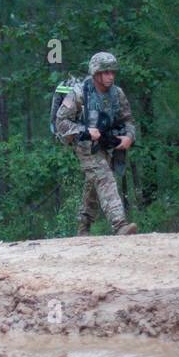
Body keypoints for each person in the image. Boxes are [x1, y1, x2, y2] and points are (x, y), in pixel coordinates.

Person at [54, 51, 140, 236]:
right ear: (96, 73)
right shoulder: (78, 94)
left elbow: (128, 120)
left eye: (112, 72)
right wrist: (84, 131)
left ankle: (83, 226)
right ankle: (119, 225)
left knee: (94, 182)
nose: (111, 76)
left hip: (106, 141)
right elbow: (60, 123)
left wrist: (129, 137)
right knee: (103, 176)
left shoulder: (117, 94)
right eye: (106, 72)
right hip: (83, 143)